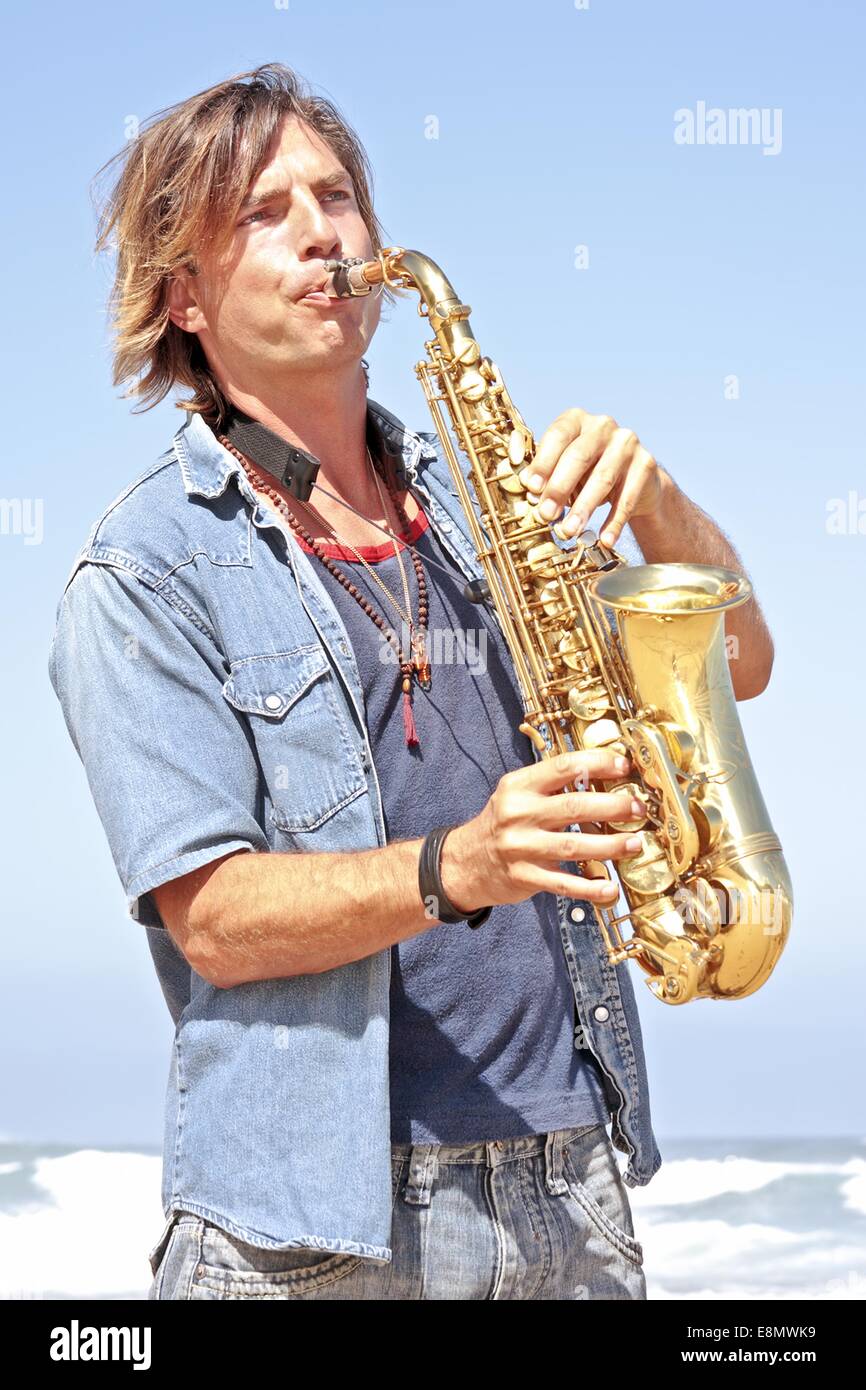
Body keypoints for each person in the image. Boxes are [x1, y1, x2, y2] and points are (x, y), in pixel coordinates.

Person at [47, 63, 775, 1301]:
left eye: (337, 193)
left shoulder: (483, 495)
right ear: (182, 295)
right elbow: (212, 919)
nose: (324, 230)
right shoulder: (141, 571)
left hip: (571, 1183)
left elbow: (741, 660)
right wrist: (456, 867)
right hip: (313, 1235)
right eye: (263, 211)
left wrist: (656, 504)